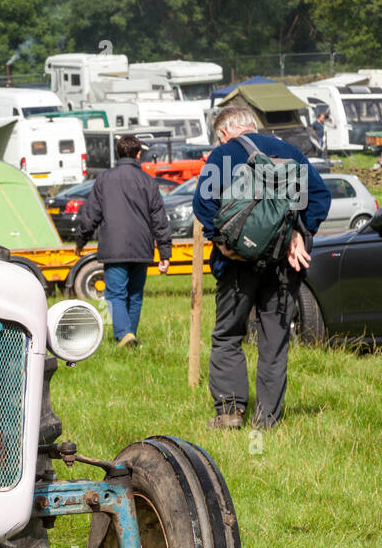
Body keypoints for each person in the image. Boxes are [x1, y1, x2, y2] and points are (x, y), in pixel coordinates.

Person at [191, 104, 332, 430]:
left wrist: (223, 241)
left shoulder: (223, 156)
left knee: (228, 335)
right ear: (253, 125)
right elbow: (321, 196)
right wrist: (300, 232)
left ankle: (229, 413)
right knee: (273, 341)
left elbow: (203, 204)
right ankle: (266, 420)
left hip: (236, 264)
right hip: (284, 264)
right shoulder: (289, 152)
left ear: (224, 132)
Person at [73, 134, 172, 347]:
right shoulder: (148, 181)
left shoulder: (104, 179)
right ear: (138, 154)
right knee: (135, 295)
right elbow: (159, 218)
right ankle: (129, 336)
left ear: (118, 154)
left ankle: (124, 335)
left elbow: (91, 214)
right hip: (142, 248)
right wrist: (165, 252)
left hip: (114, 248)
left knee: (116, 294)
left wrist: (81, 240)